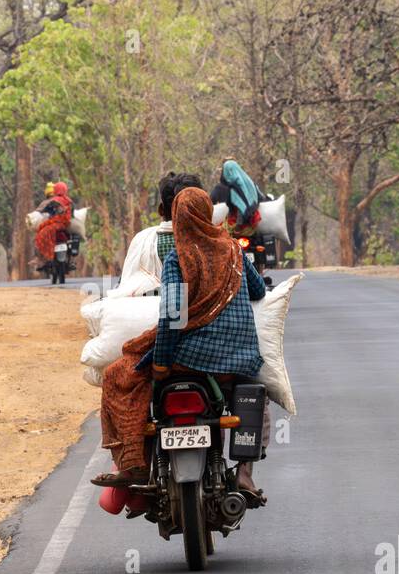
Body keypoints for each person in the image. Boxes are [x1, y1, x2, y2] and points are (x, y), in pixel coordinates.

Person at [93, 185, 267, 490]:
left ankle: (133, 463)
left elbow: (173, 315)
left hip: (189, 360)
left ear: (176, 217)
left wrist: (160, 363)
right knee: (253, 396)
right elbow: (259, 291)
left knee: (117, 376)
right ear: (208, 213)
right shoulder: (234, 250)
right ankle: (245, 474)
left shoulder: (179, 257)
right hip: (237, 361)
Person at [34, 181, 73, 266]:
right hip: (65, 224)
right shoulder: (69, 200)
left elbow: (43, 210)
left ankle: (44, 256)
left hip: (58, 223)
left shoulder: (54, 201)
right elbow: (72, 214)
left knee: (41, 233)